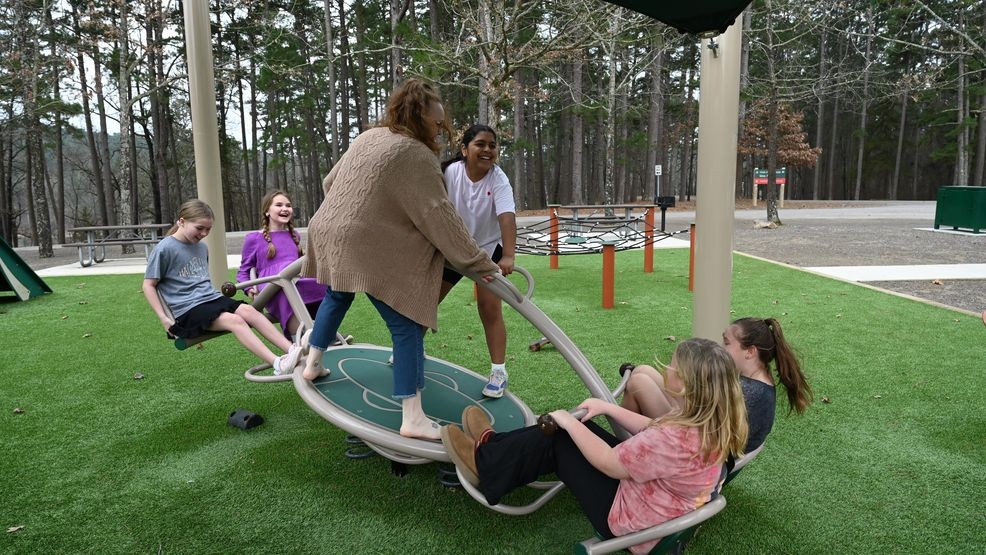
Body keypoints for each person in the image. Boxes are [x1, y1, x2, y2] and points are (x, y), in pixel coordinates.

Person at [299, 79, 500, 441]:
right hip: (361, 242)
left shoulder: (368, 136)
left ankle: (312, 364)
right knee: (407, 325)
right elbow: (438, 216)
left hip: (325, 227)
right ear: (420, 115)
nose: (440, 130)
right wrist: (479, 262)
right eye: (437, 124)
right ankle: (413, 417)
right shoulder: (416, 154)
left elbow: (332, 183)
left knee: (337, 295)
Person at [441, 338, 748, 554]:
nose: (666, 368)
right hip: (656, 506)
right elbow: (653, 427)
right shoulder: (711, 421)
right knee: (576, 430)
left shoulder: (675, 438)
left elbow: (609, 462)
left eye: (671, 365)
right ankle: (494, 448)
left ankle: (485, 463)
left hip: (635, 524)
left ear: (684, 382)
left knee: (562, 436)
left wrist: (567, 421)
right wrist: (608, 408)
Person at [143, 199, 302, 375]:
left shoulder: (201, 248)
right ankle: (278, 363)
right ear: (181, 222)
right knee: (236, 321)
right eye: (199, 228)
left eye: (208, 229)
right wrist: (164, 318)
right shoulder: (164, 248)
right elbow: (149, 285)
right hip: (188, 309)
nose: (204, 233)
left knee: (249, 312)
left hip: (210, 299)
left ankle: (293, 350)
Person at [621, 317, 812, 454]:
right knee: (643, 371)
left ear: (750, 352)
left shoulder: (749, 392)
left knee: (638, 382)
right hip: (704, 434)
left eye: (726, 343)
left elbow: (700, 429)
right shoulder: (755, 380)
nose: (721, 347)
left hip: (702, 455)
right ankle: (630, 440)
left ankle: (624, 448)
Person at [439, 124, 517, 398]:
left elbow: (506, 217)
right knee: (426, 302)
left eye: (492, 145)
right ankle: (407, 354)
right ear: (464, 149)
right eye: (480, 144)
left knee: (489, 307)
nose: (487, 150)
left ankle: (498, 371)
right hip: (454, 248)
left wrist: (508, 255)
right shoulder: (451, 173)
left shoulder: (498, 179)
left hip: (485, 250)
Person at [237, 190, 327, 340]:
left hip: (296, 280)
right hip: (273, 286)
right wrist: (249, 289)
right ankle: (299, 338)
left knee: (325, 285)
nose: (285, 208)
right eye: (279, 205)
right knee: (285, 291)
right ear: (267, 211)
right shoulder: (254, 238)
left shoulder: (294, 236)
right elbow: (243, 271)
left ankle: (324, 333)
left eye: (288, 205)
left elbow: (299, 265)